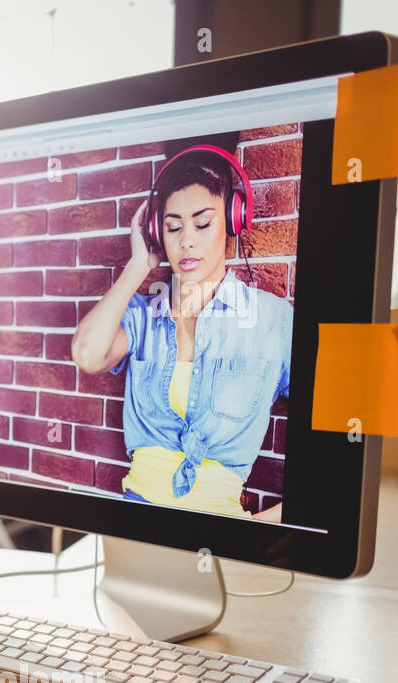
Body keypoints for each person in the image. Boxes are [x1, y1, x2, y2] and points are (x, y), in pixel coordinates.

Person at [71, 145, 291, 520]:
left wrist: (269, 525)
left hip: (224, 535)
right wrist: (139, 265)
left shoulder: (273, 320)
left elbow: (336, 435)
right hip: (138, 521)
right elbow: (88, 355)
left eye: (202, 224)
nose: (187, 240)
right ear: (158, 232)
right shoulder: (143, 316)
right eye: (173, 227)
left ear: (234, 220)